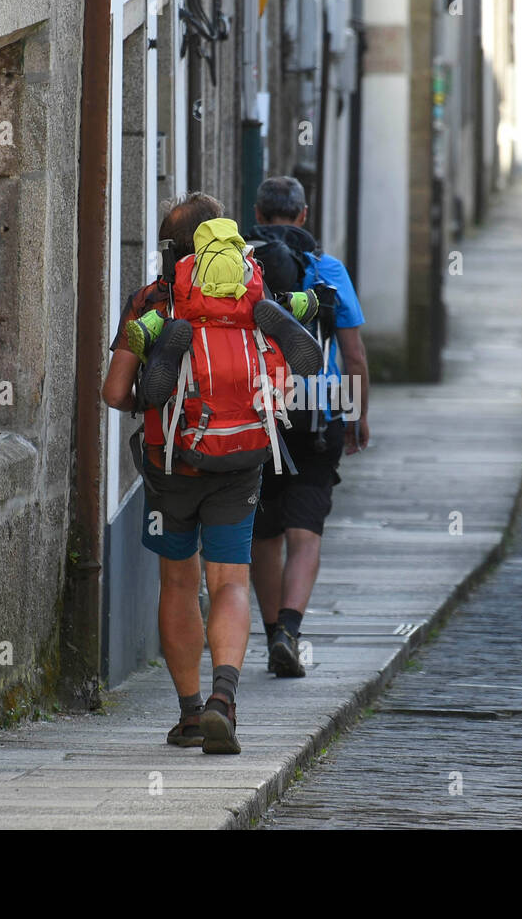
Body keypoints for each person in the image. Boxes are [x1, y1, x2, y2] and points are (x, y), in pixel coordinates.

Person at [102, 191, 317, 753]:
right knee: (230, 582)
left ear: (172, 249)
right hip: (242, 459)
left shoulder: (153, 299)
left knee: (178, 581)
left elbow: (113, 391)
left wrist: (155, 401)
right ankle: (226, 697)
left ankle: (192, 714)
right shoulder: (255, 294)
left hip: (171, 463)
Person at [245, 176, 370, 678]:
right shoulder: (328, 269)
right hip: (320, 413)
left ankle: (273, 627)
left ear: (256, 211)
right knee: (306, 530)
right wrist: (358, 413)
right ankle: (289, 633)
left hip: (259, 412)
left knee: (263, 532)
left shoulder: (245, 267)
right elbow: (355, 355)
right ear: (303, 215)